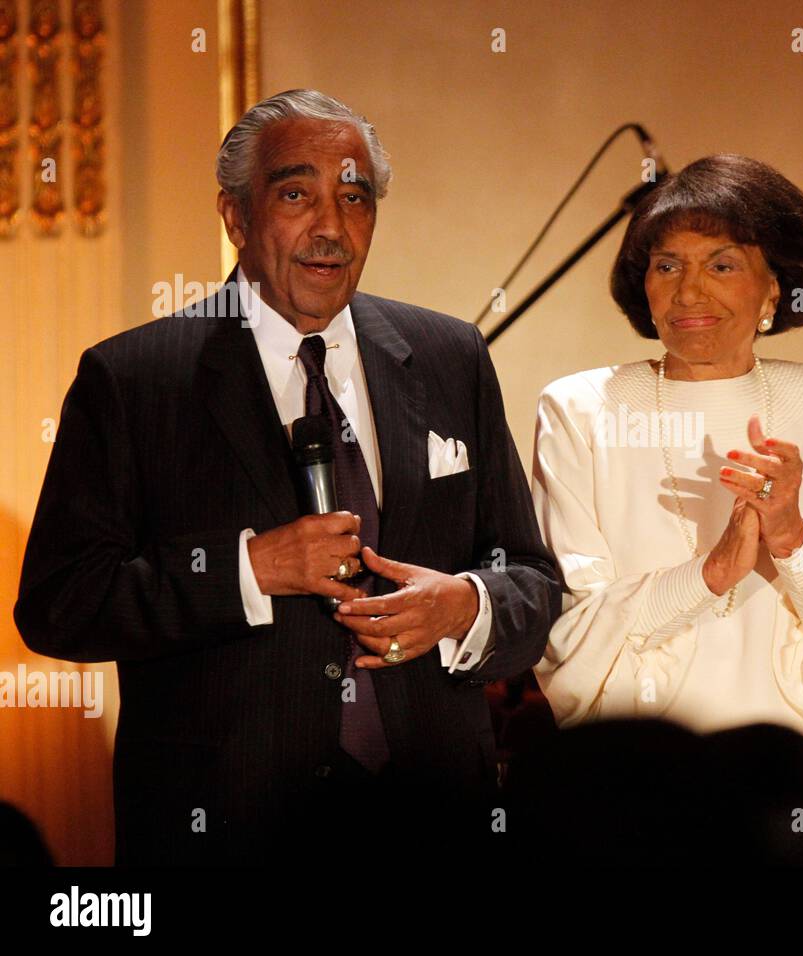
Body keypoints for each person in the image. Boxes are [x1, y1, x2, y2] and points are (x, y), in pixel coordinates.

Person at [14, 89, 561, 864]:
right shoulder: (134, 379)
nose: (331, 227)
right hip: (228, 826)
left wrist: (463, 607)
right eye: (298, 193)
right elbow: (61, 605)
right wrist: (247, 570)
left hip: (433, 818)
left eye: (355, 197)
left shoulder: (449, 357)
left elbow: (534, 582)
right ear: (236, 217)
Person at [530, 154, 803, 861]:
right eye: (667, 265)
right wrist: (709, 574)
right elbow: (571, 645)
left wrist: (793, 540)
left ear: (776, 287)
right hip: (644, 794)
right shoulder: (581, 408)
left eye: (723, 264)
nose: (689, 291)